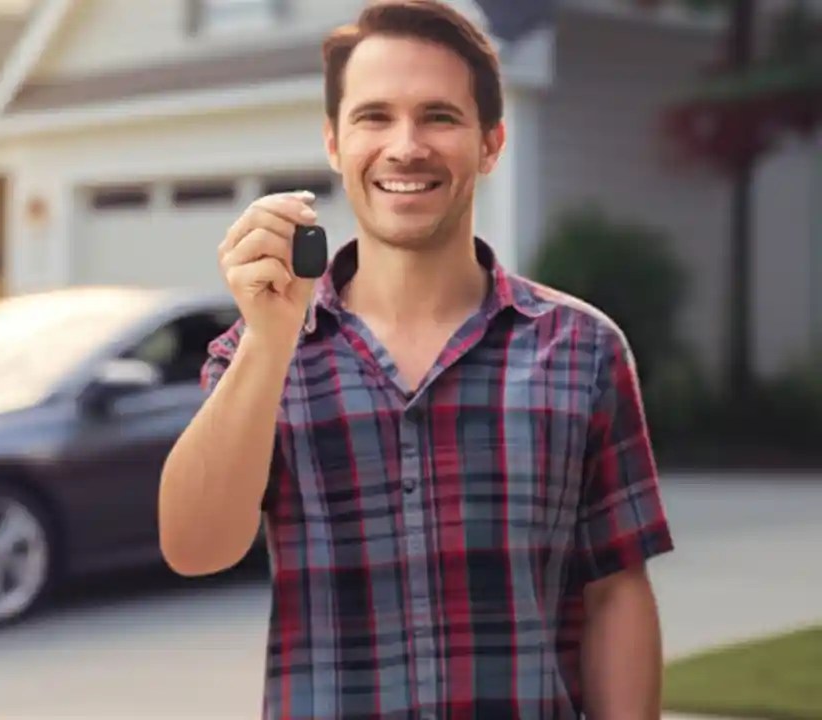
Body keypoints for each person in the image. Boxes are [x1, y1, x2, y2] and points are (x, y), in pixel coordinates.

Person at [157, 1, 675, 718]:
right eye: (374, 117)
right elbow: (194, 548)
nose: (406, 146)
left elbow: (615, 591)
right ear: (334, 143)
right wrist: (269, 340)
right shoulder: (260, 354)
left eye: (439, 116)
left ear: (490, 144)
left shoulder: (582, 350)